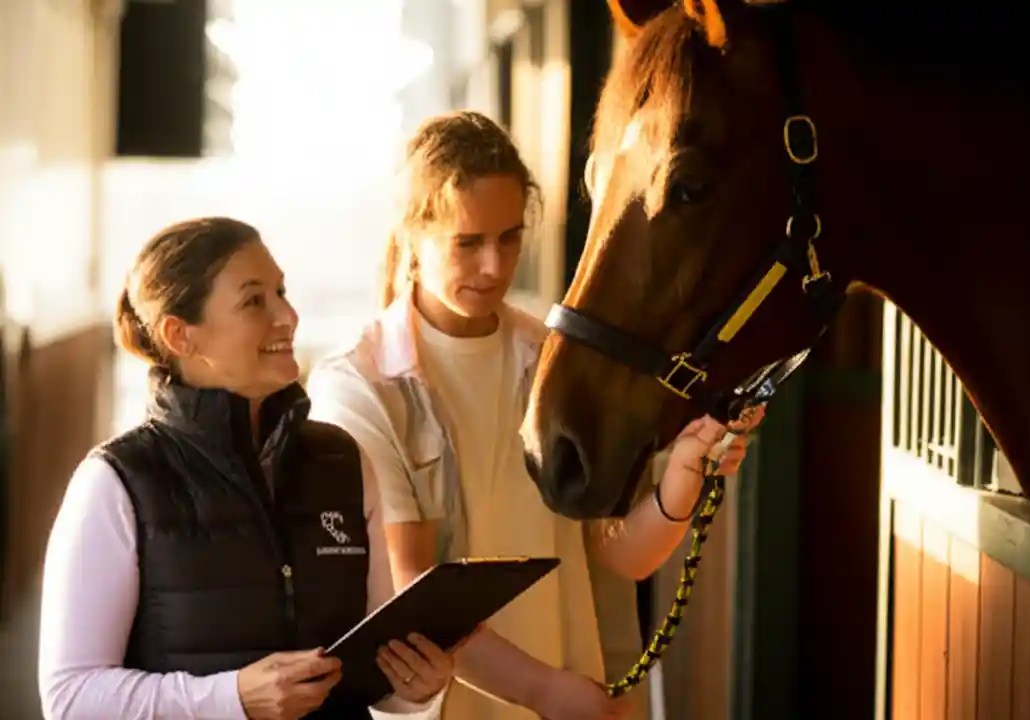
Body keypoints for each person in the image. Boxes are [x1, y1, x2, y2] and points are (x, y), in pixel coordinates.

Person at [305, 111, 761, 720]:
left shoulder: (555, 362)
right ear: (412, 236)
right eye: (468, 243)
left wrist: (686, 470)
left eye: (510, 237)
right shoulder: (361, 386)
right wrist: (545, 691)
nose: (495, 266)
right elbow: (407, 593)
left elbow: (624, 553)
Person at [38, 217, 458, 720]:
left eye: (281, 291)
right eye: (254, 301)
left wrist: (416, 686)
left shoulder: (343, 461)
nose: (288, 315)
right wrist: (232, 698)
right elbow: (71, 698)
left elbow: (371, 673)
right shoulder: (117, 481)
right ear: (180, 335)